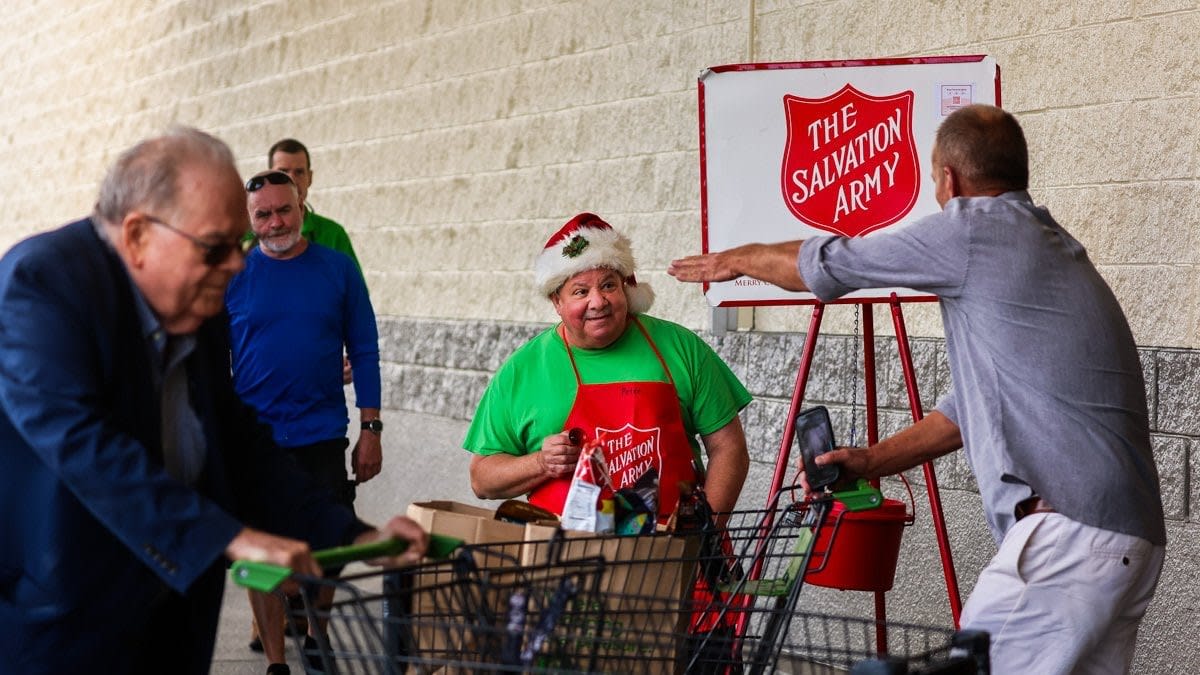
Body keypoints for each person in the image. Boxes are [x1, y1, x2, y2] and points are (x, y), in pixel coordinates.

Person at [668, 104, 1166, 674]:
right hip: (1125, 537)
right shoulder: (1043, 243)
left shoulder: (975, 228)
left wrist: (737, 259)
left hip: (1068, 537)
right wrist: (871, 461)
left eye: (933, 178)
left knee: (969, 666)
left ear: (950, 179)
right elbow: (962, 416)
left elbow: (829, 264)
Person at [0, 127, 427, 675]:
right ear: (137, 236)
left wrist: (355, 534)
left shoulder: (194, 293)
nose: (236, 263)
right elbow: (83, 443)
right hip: (61, 626)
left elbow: (238, 442)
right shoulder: (42, 284)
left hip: (172, 624)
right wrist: (230, 537)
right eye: (217, 246)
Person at [464, 213, 752, 522]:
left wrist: (705, 534)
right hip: (563, 562)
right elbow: (482, 479)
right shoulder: (523, 370)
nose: (598, 301)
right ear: (556, 302)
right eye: (580, 291)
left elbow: (728, 448)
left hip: (672, 557)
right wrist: (541, 463)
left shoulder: (680, 346)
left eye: (608, 285)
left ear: (625, 288)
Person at [227, 170, 384, 674]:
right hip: (255, 440)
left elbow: (364, 350)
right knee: (262, 556)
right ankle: (276, 661)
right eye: (264, 215)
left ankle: (318, 632)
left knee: (328, 547)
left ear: (303, 208)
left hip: (321, 434)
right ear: (250, 222)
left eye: (284, 210)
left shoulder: (337, 270)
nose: (276, 223)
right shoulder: (234, 275)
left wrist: (371, 430)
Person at [268, 137, 361, 270]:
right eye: (283, 171)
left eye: (299, 172)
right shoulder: (250, 235)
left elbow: (353, 289)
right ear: (268, 177)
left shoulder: (333, 235)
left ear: (310, 178)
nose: (292, 179)